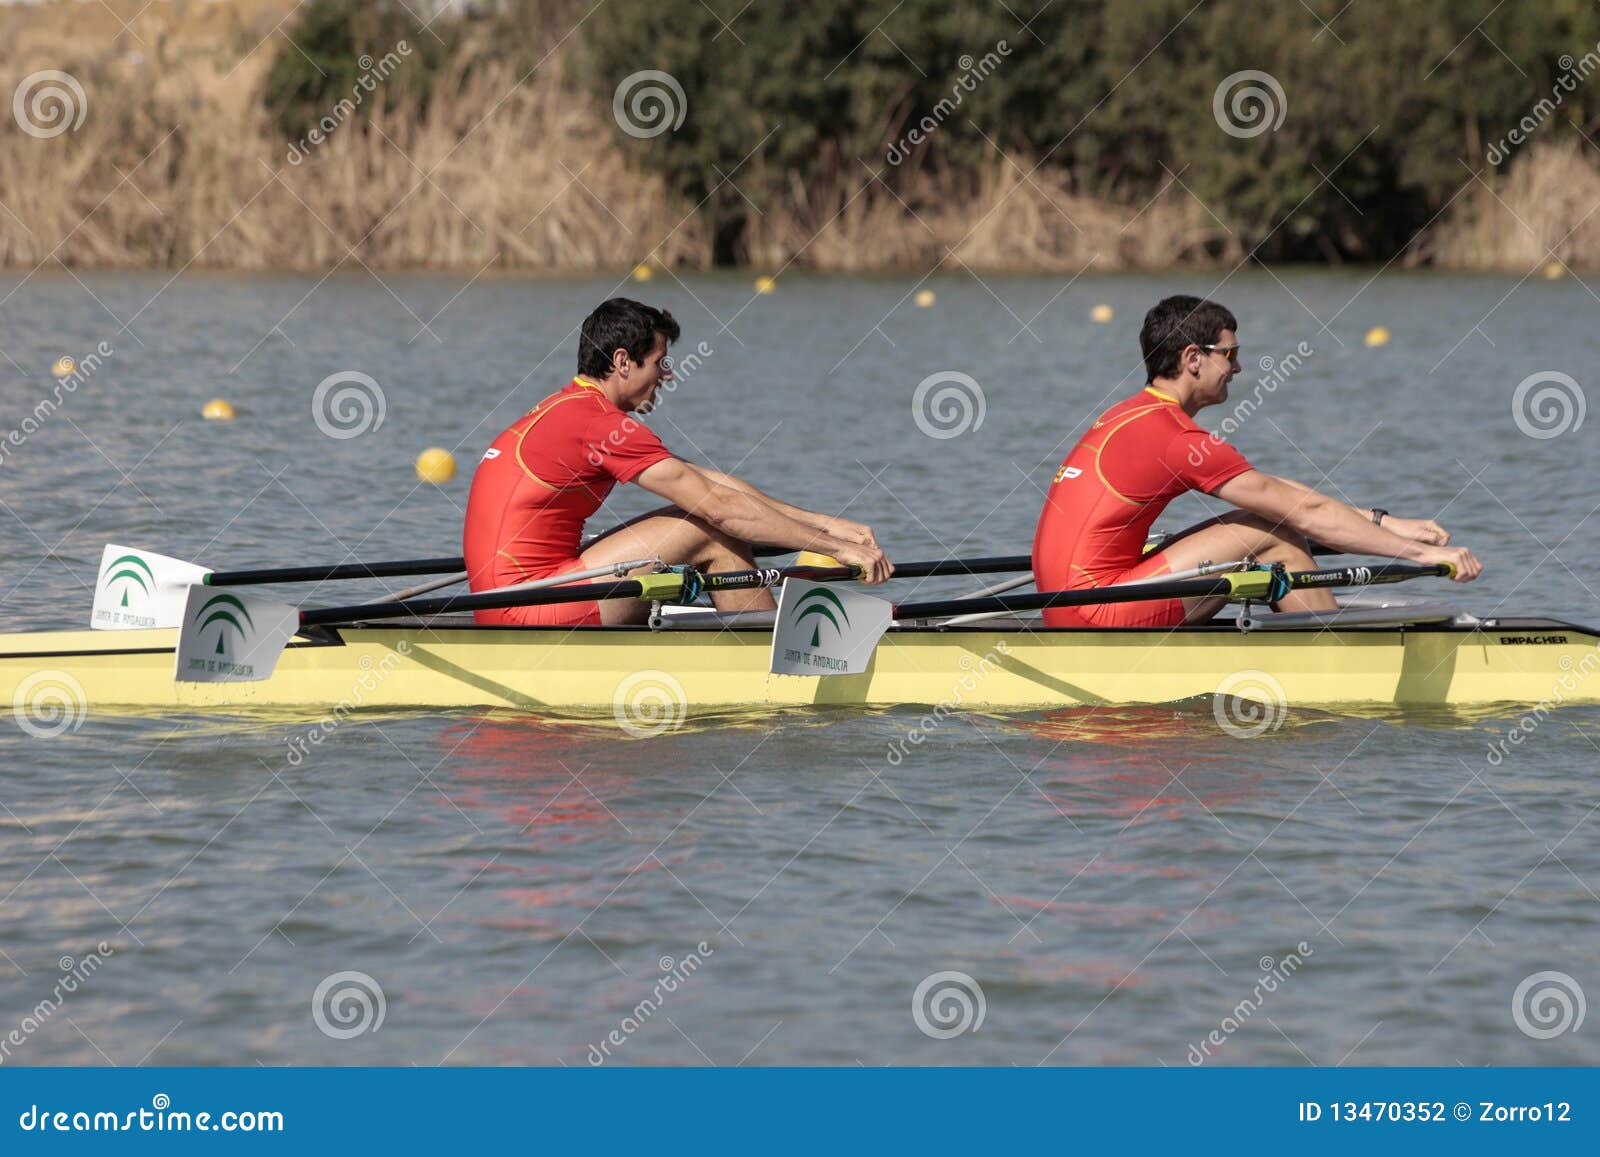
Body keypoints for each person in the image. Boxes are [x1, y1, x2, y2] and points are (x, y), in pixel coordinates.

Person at [1032, 294, 1481, 628]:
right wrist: (1421, 554)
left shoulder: (1131, 413)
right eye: (1231, 354)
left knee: (1262, 519)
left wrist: (1386, 523)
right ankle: (1334, 657)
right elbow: (1298, 511)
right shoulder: (1173, 438)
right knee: (1274, 532)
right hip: (1090, 610)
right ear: (1193, 359)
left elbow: (1281, 494)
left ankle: (1310, 633)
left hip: (1070, 599)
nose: (1238, 369)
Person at [464, 297, 892, 625]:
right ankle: (766, 661)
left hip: (519, 597)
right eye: (659, 362)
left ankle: (753, 633)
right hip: (527, 610)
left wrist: (828, 526)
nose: (667, 375)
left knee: (695, 511)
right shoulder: (595, 423)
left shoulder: (571, 408)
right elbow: (721, 509)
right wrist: (837, 550)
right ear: (622, 362)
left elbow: (716, 487)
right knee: (706, 528)